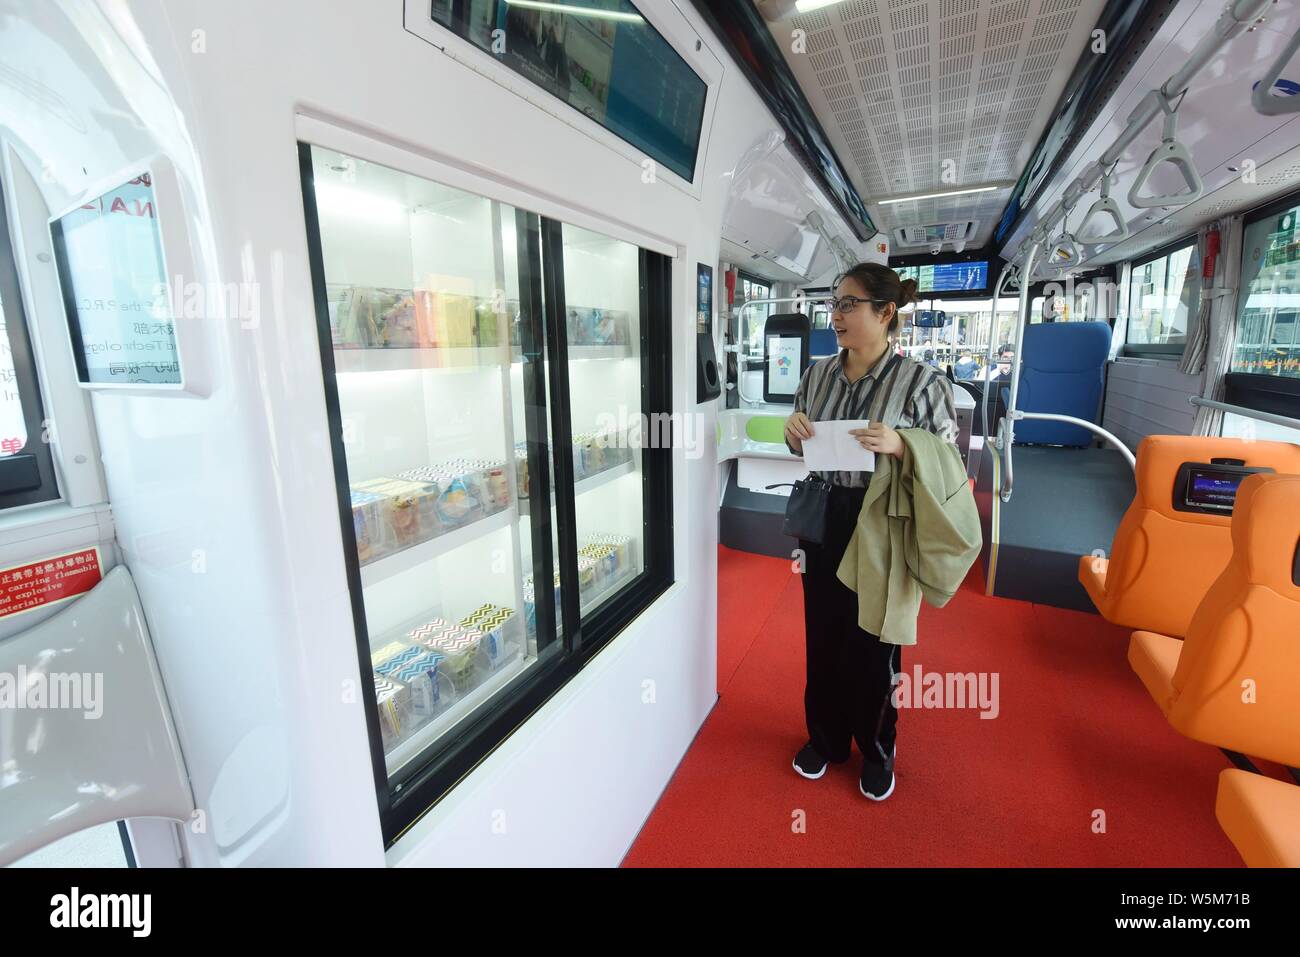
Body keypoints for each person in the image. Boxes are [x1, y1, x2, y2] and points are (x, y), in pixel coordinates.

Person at [783, 263, 960, 802]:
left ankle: (878, 747)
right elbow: (800, 441)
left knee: (875, 642)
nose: (835, 315)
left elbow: (950, 460)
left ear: (885, 314)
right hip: (825, 515)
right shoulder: (816, 375)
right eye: (833, 304)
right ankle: (827, 739)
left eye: (848, 304)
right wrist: (793, 435)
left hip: (882, 519)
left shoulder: (921, 382)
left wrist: (904, 444)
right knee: (824, 632)